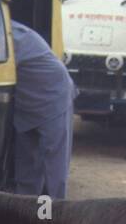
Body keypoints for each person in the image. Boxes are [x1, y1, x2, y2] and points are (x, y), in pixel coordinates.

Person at [9, 20, 76, 199]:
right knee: (27, 165)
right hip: (26, 104)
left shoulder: (15, 35)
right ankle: (26, 214)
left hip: (54, 97)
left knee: (54, 168)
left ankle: (54, 218)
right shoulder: (1, 31)